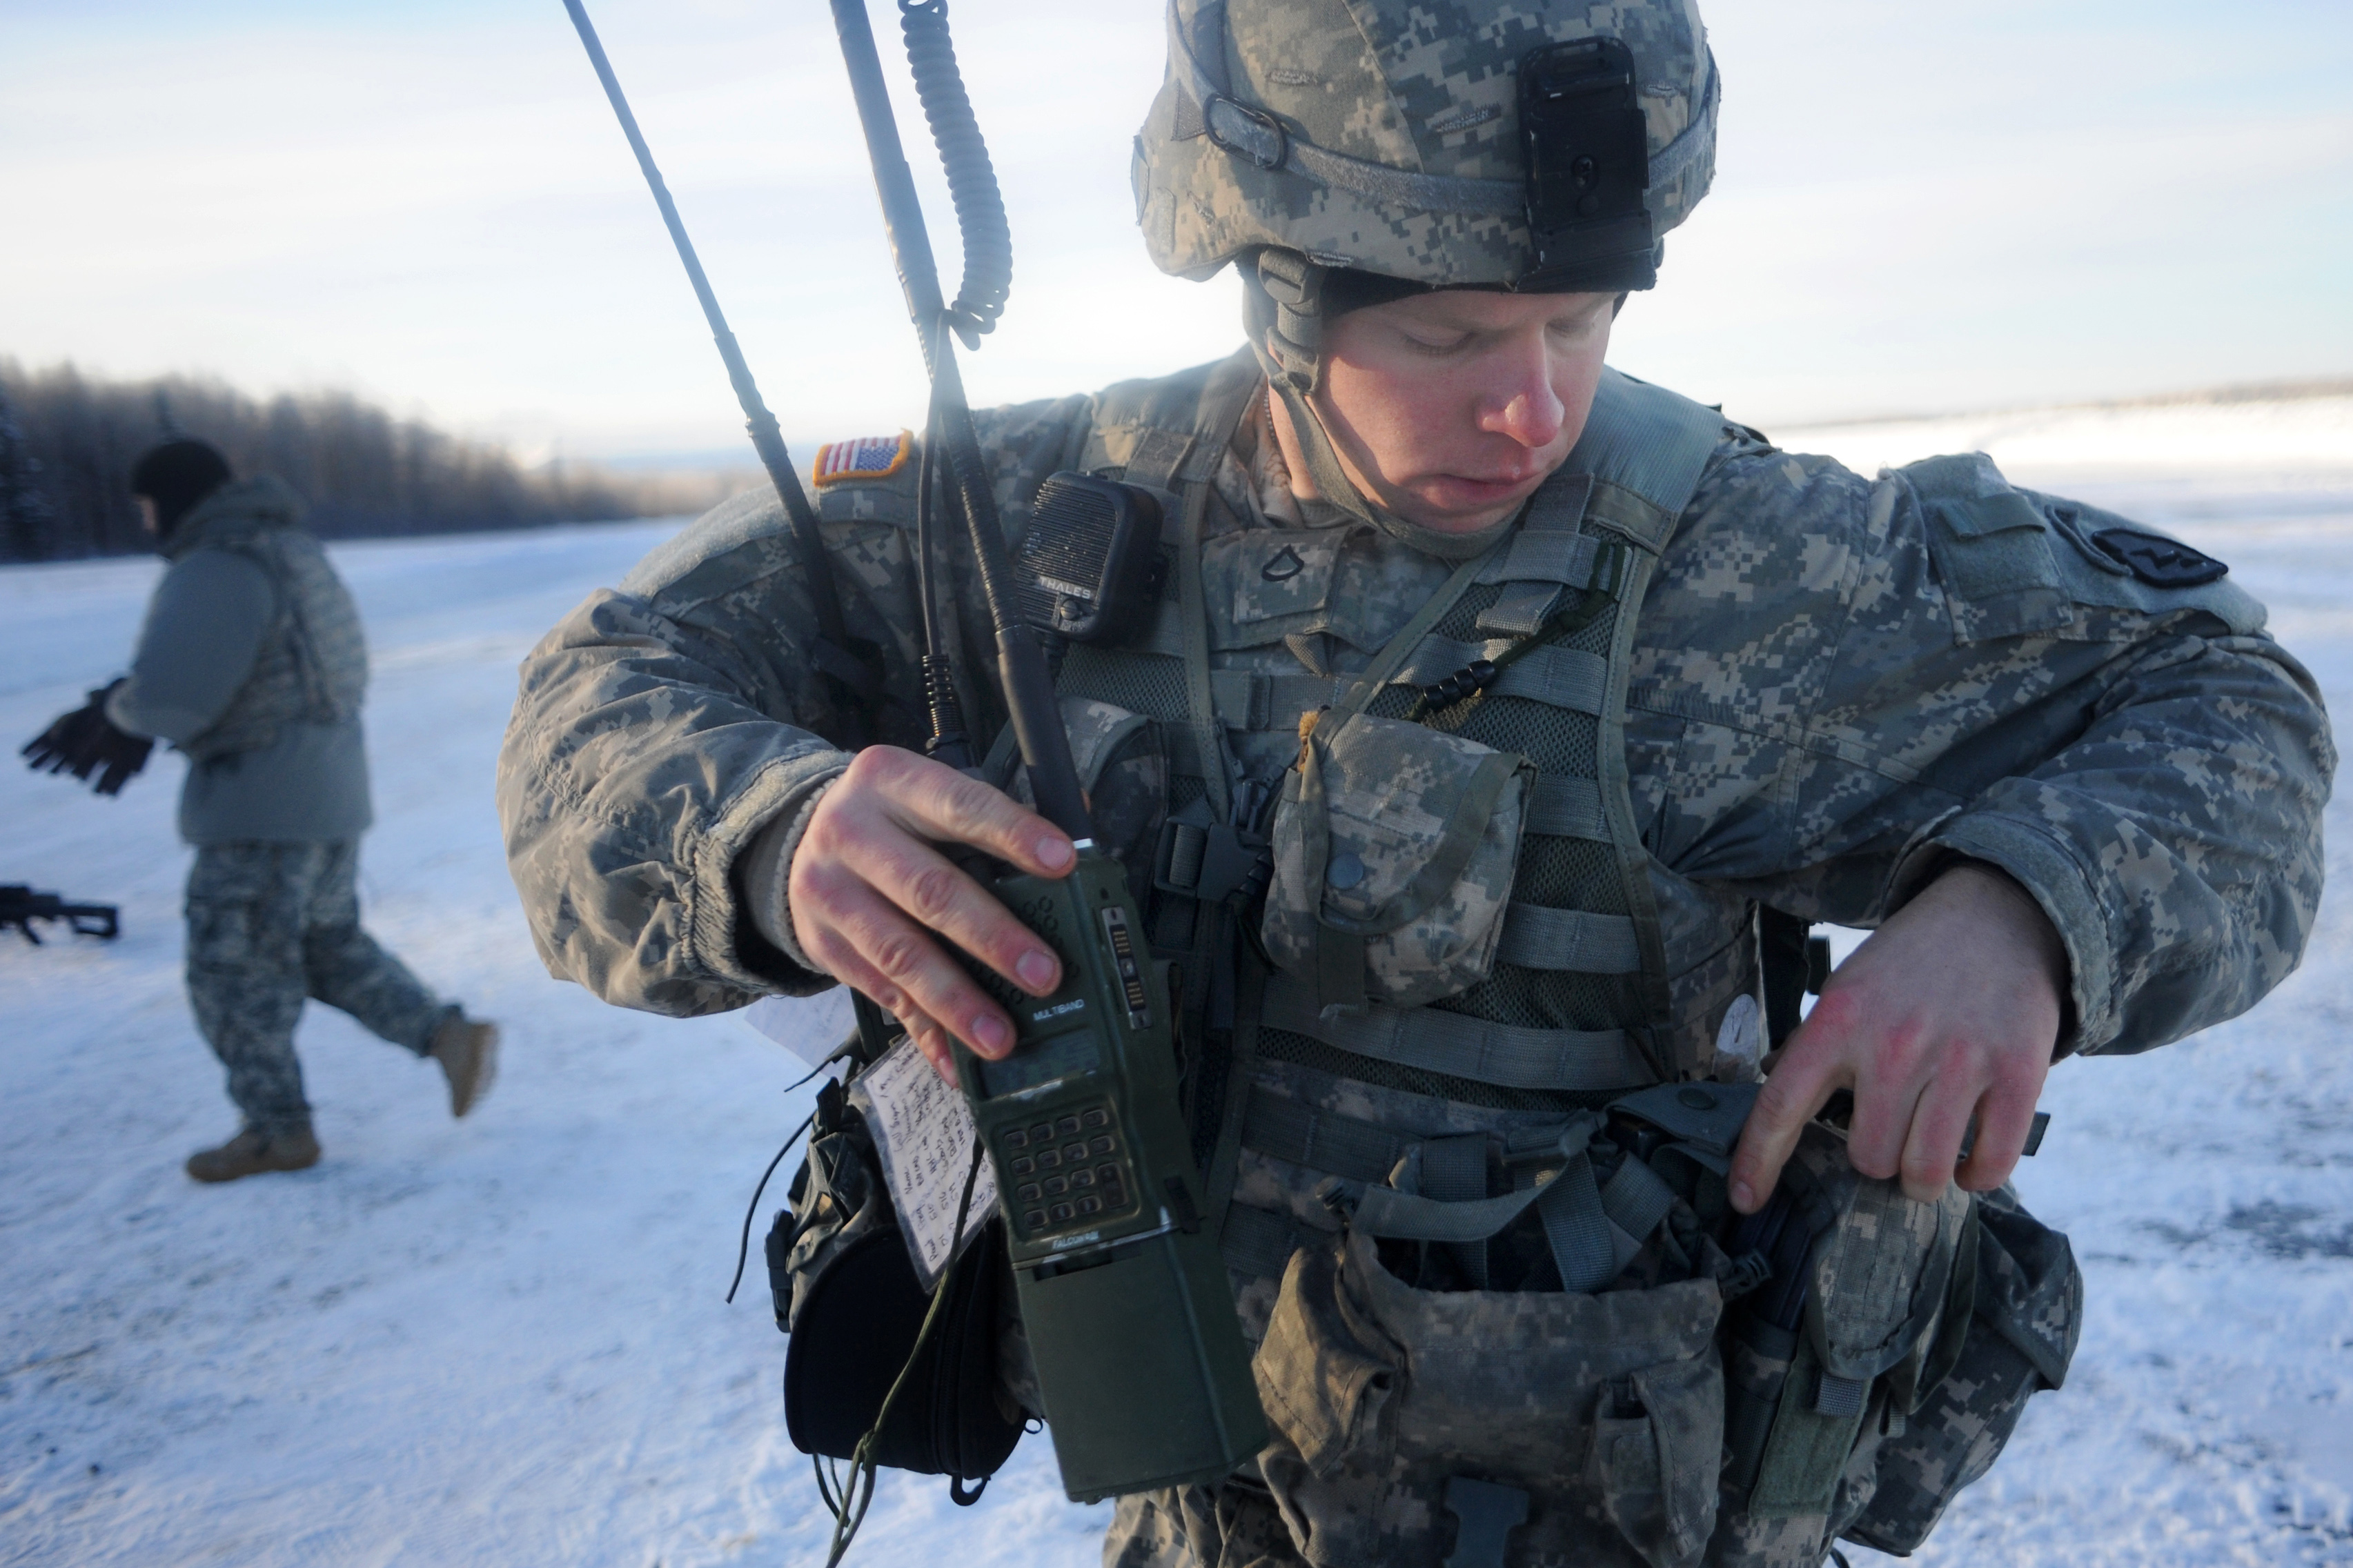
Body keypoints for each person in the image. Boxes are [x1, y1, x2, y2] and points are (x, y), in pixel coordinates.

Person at [495, 1, 2332, 1562]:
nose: (1531, 407)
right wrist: (767, 833)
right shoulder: (1028, 519)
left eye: (1579, 321)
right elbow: (595, 693)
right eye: (1447, 336)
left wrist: (2017, 914)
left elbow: (2220, 691)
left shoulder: (1742, 568)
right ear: (1274, 290)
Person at [22, 437, 499, 1184]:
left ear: (170, 501)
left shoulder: (216, 564)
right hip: (332, 793)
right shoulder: (294, 550)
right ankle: (447, 1036)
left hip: (259, 808)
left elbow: (172, 699)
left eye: (146, 506)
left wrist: (114, 708)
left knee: (230, 974)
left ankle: (277, 1131)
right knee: (322, 944)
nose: (144, 522)